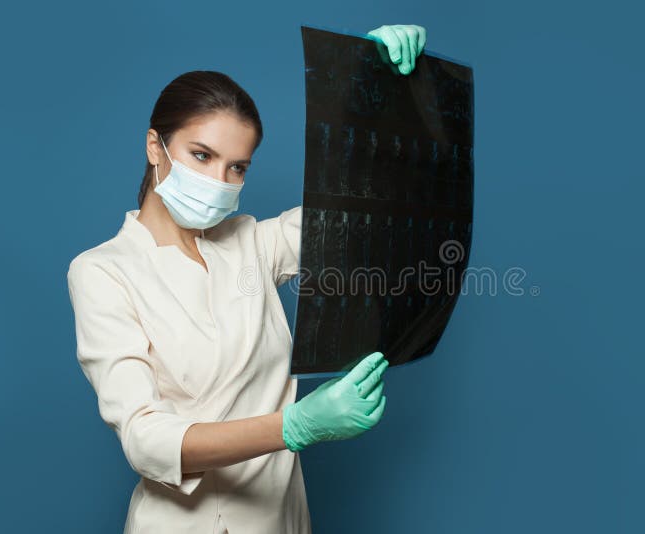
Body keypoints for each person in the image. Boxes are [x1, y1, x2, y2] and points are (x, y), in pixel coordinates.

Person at [66, 24, 427, 534]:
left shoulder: (252, 242)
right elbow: (146, 441)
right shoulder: (103, 271)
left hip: (284, 520)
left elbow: (363, 213)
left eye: (237, 168)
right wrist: (294, 427)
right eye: (201, 155)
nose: (218, 181)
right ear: (155, 146)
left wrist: (375, 87)